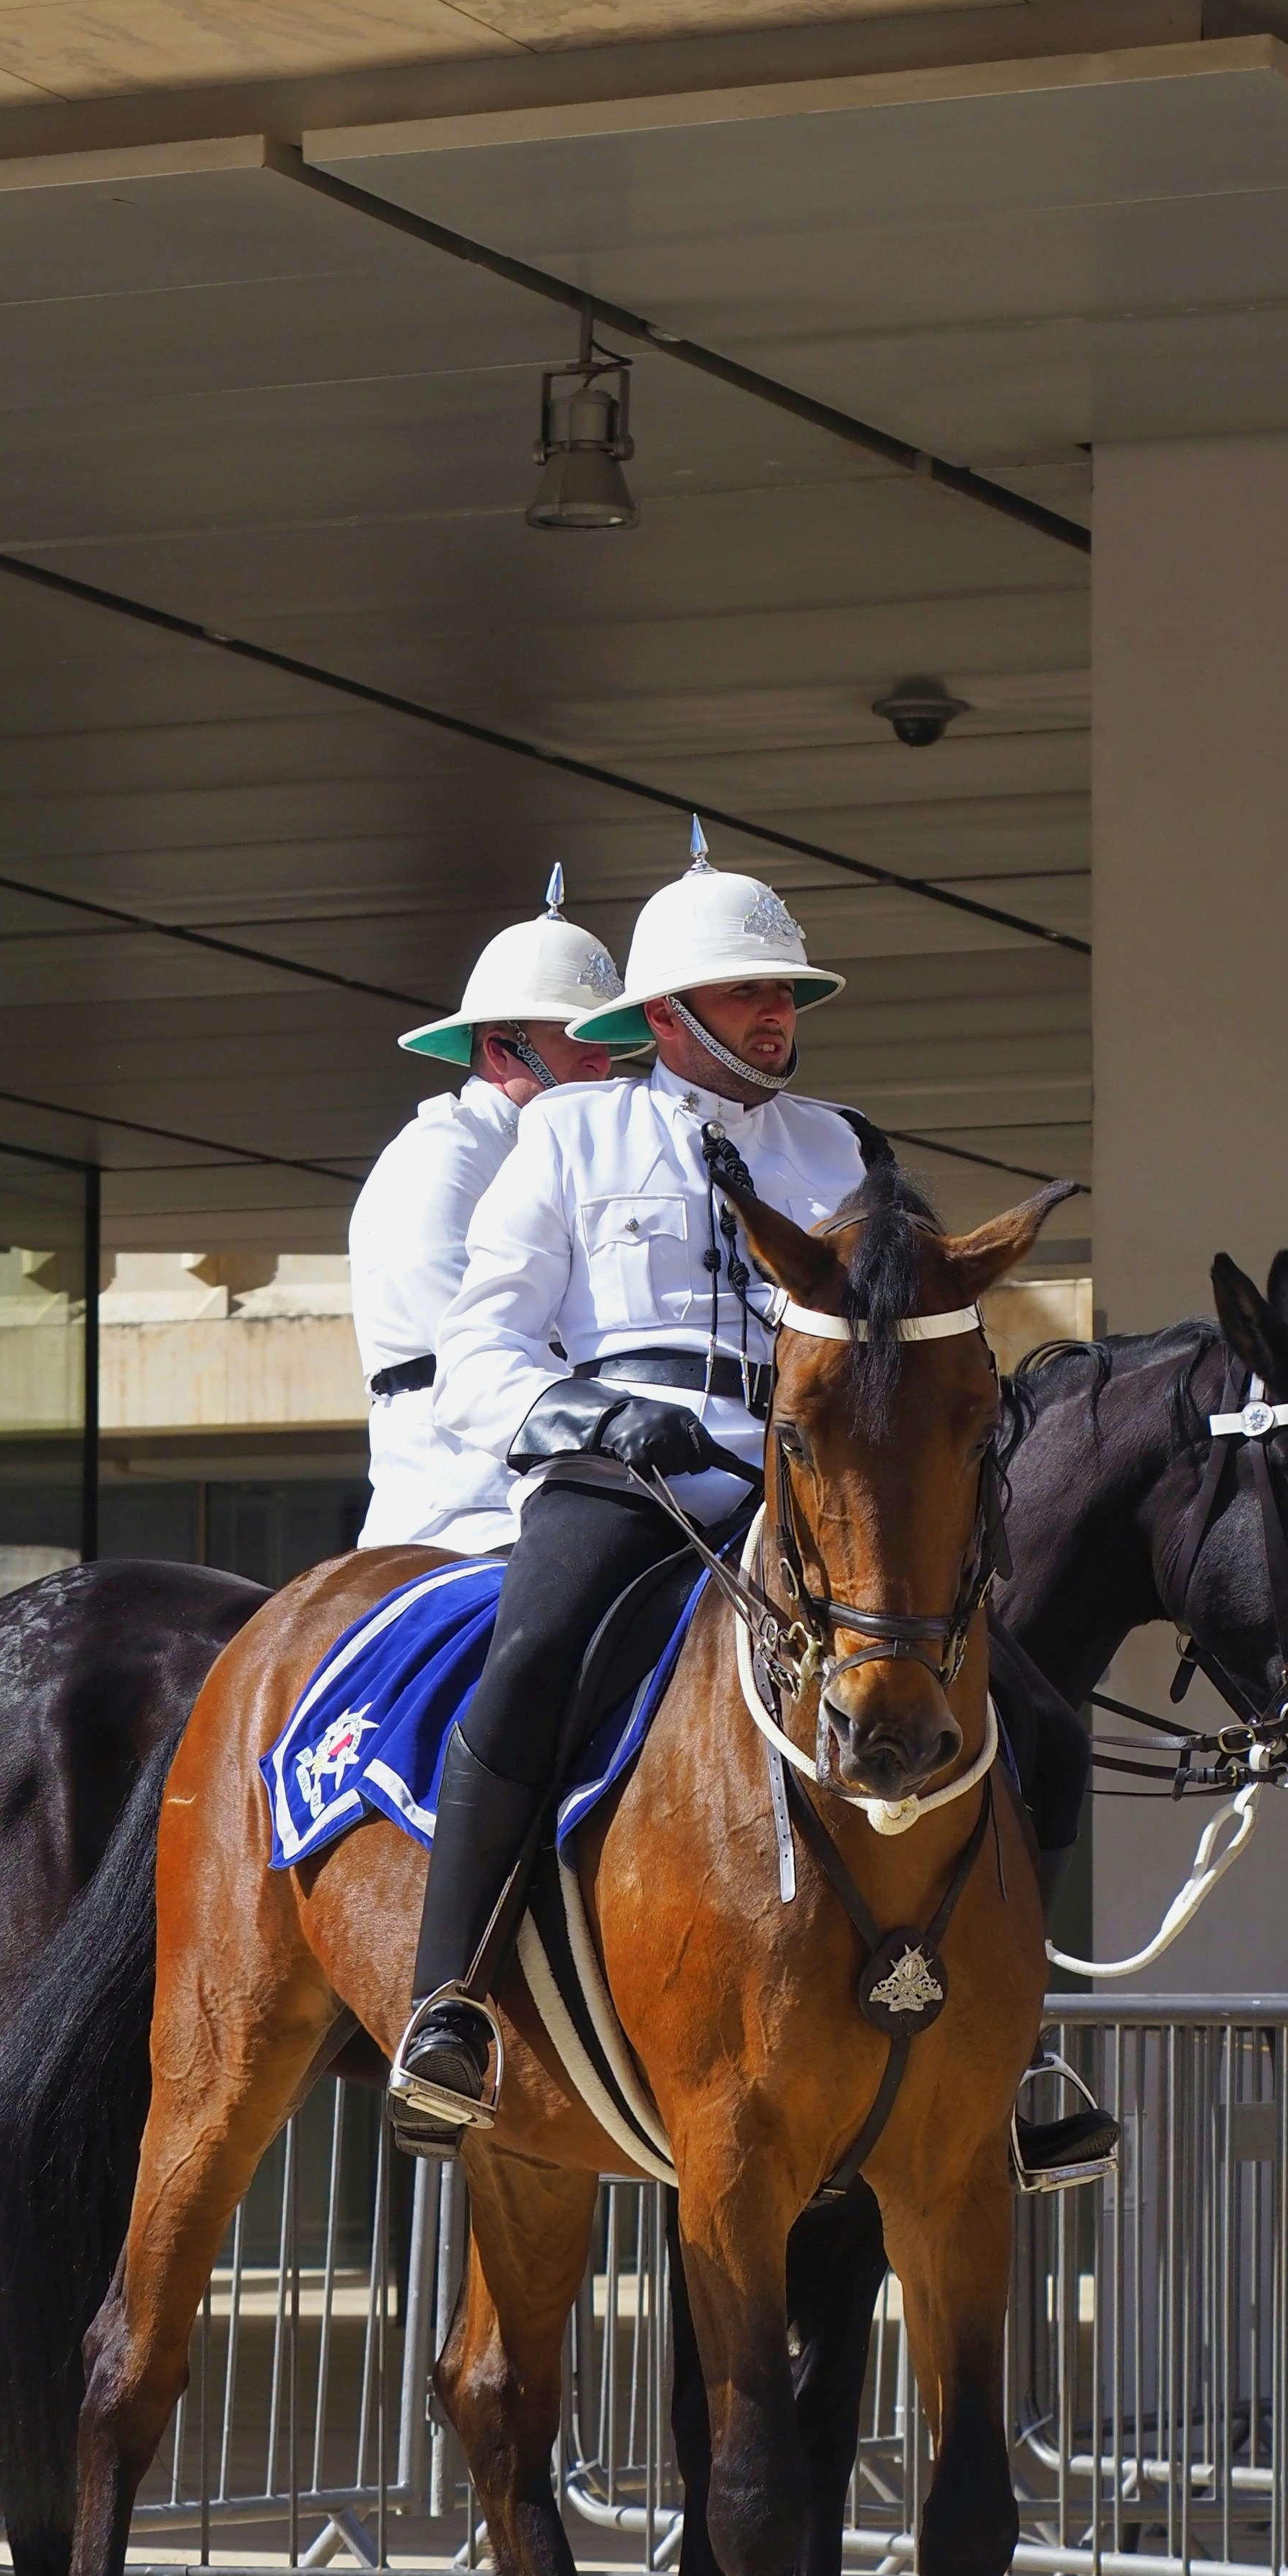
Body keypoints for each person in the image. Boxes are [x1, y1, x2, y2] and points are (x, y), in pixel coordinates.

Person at [388, 831, 869, 2139]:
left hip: (800, 1483)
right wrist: (583, 1415)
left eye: (785, 992)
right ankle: (449, 2006)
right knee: (532, 1650)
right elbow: (478, 1351)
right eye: (747, 991)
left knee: (1014, 1676)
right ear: (663, 1013)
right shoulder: (568, 1136)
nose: (779, 1011)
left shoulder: (843, 1149)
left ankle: (1008, 2052)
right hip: (621, 1477)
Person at [349, 872, 618, 1555]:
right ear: (501, 1051)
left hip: (563, 1477)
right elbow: (470, 1333)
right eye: (580, 1040)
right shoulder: (442, 1153)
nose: (606, 1061)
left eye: (606, 1039)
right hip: (462, 1504)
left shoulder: (566, 1155)